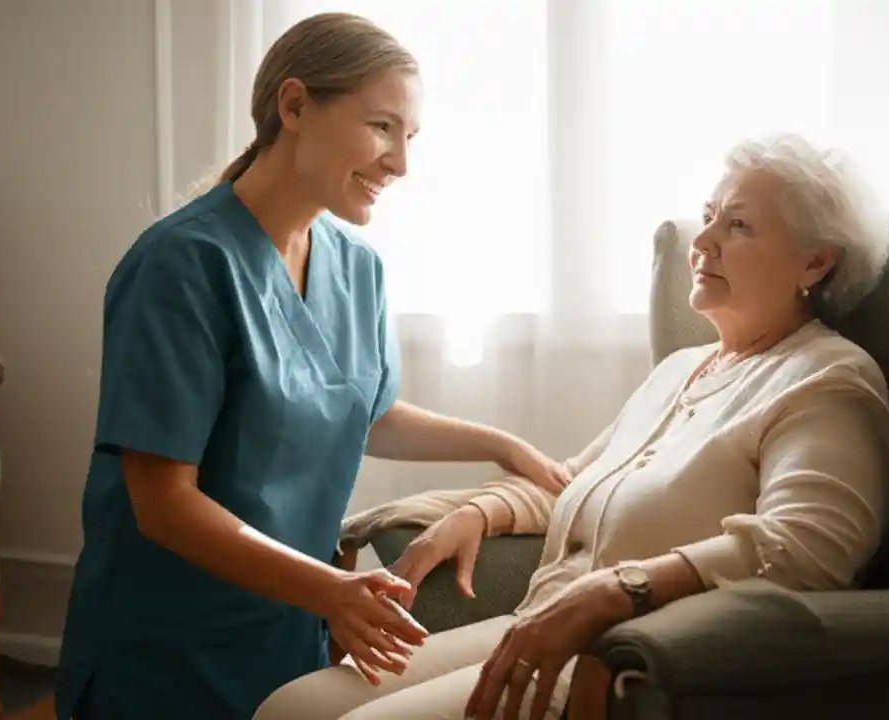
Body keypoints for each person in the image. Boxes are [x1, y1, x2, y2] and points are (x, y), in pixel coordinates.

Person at [254, 134, 889, 720]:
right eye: (709, 216)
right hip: (540, 622)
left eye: (738, 225)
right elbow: (576, 482)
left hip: (634, 651)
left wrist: (620, 589)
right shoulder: (683, 370)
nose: (702, 241)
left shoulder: (826, 383)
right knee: (293, 705)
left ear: (815, 263)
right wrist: (482, 513)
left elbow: (809, 549)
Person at [51, 12, 571, 720]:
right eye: (382, 127)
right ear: (293, 106)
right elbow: (163, 503)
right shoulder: (179, 266)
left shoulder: (358, 267)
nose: (400, 163)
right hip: (168, 642)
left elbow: (369, 413)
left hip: (283, 632)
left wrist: (499, 445)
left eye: (410, 136)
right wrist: (328, 591)